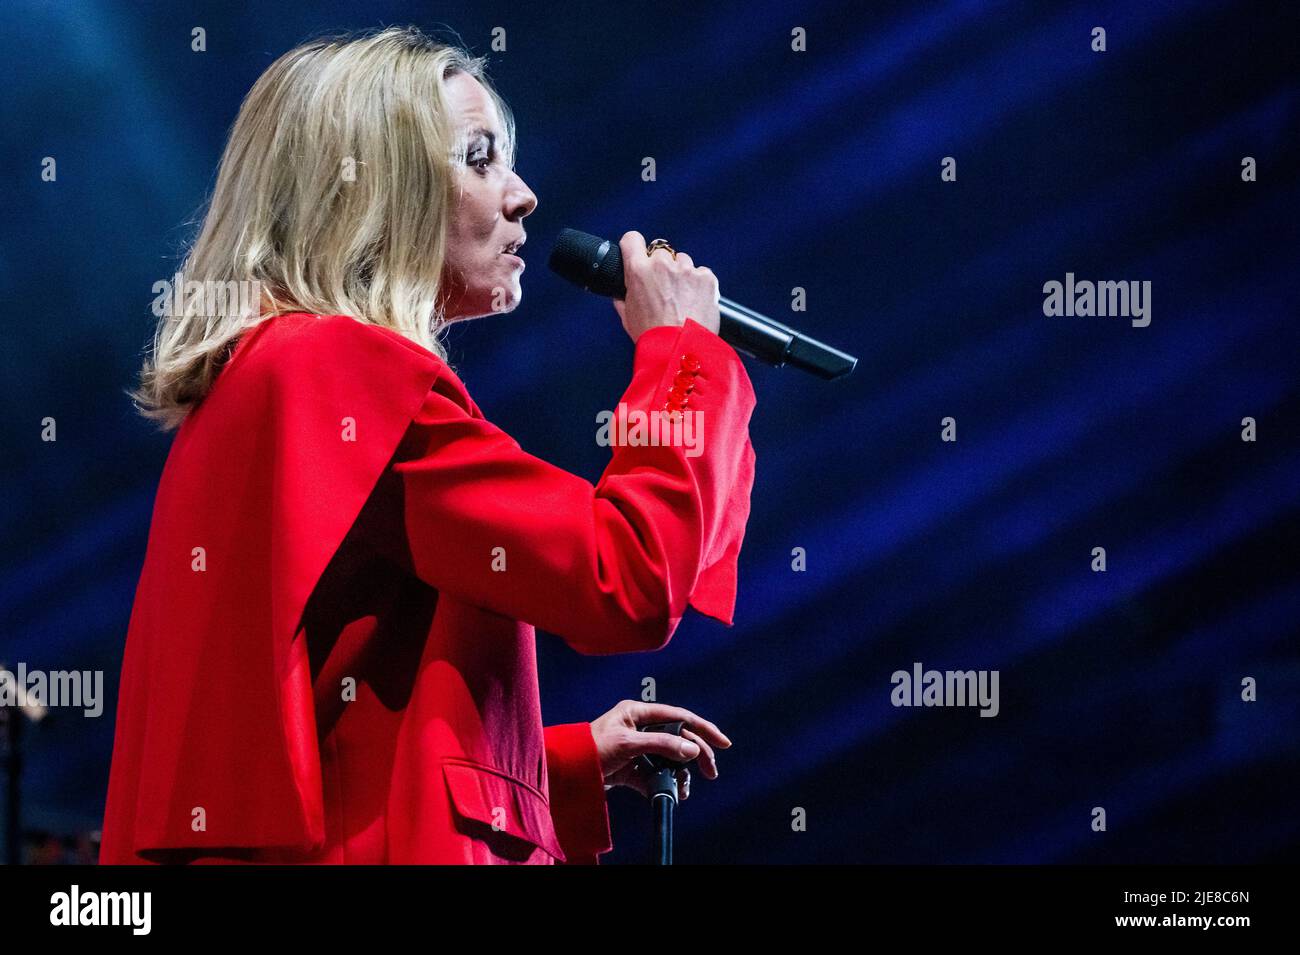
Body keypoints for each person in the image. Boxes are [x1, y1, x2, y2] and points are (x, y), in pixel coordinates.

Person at [98, 26, 756, 865]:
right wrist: (681, 359)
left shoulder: (258, 376)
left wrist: (557, 763)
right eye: (479, 158)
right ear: (374, 189)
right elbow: (625, 577)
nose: (522, 196)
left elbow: (321, 746)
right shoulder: (343, 366)